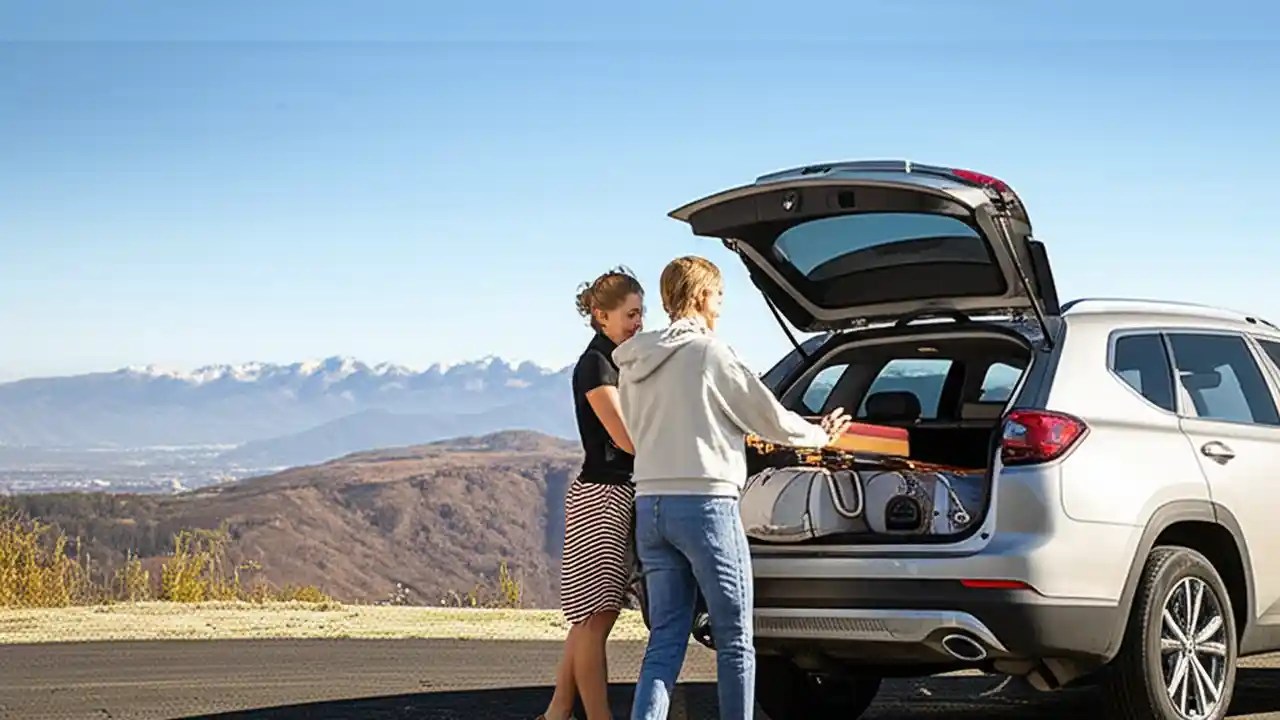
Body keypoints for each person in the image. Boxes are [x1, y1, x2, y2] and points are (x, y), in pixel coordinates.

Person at [613, 256, 852, 720]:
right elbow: (767, 415)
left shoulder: (634, 362)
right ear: (703, 296)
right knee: (735, 639)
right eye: (719, 296)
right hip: (705, 506)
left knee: (664, 641)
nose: (721, 306)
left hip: (651, 507)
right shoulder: (710, 354)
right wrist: (819, 435)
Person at [538, 267, 646, 720]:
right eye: (631, 314)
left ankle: (558, 712)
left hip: (615, 495)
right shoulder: (597, 365)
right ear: (602, 315)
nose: (639, 322)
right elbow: (626, 439)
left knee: (591, 619)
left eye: (641, 313)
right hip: (603, 497)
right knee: (595, 620)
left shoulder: (617, 360)